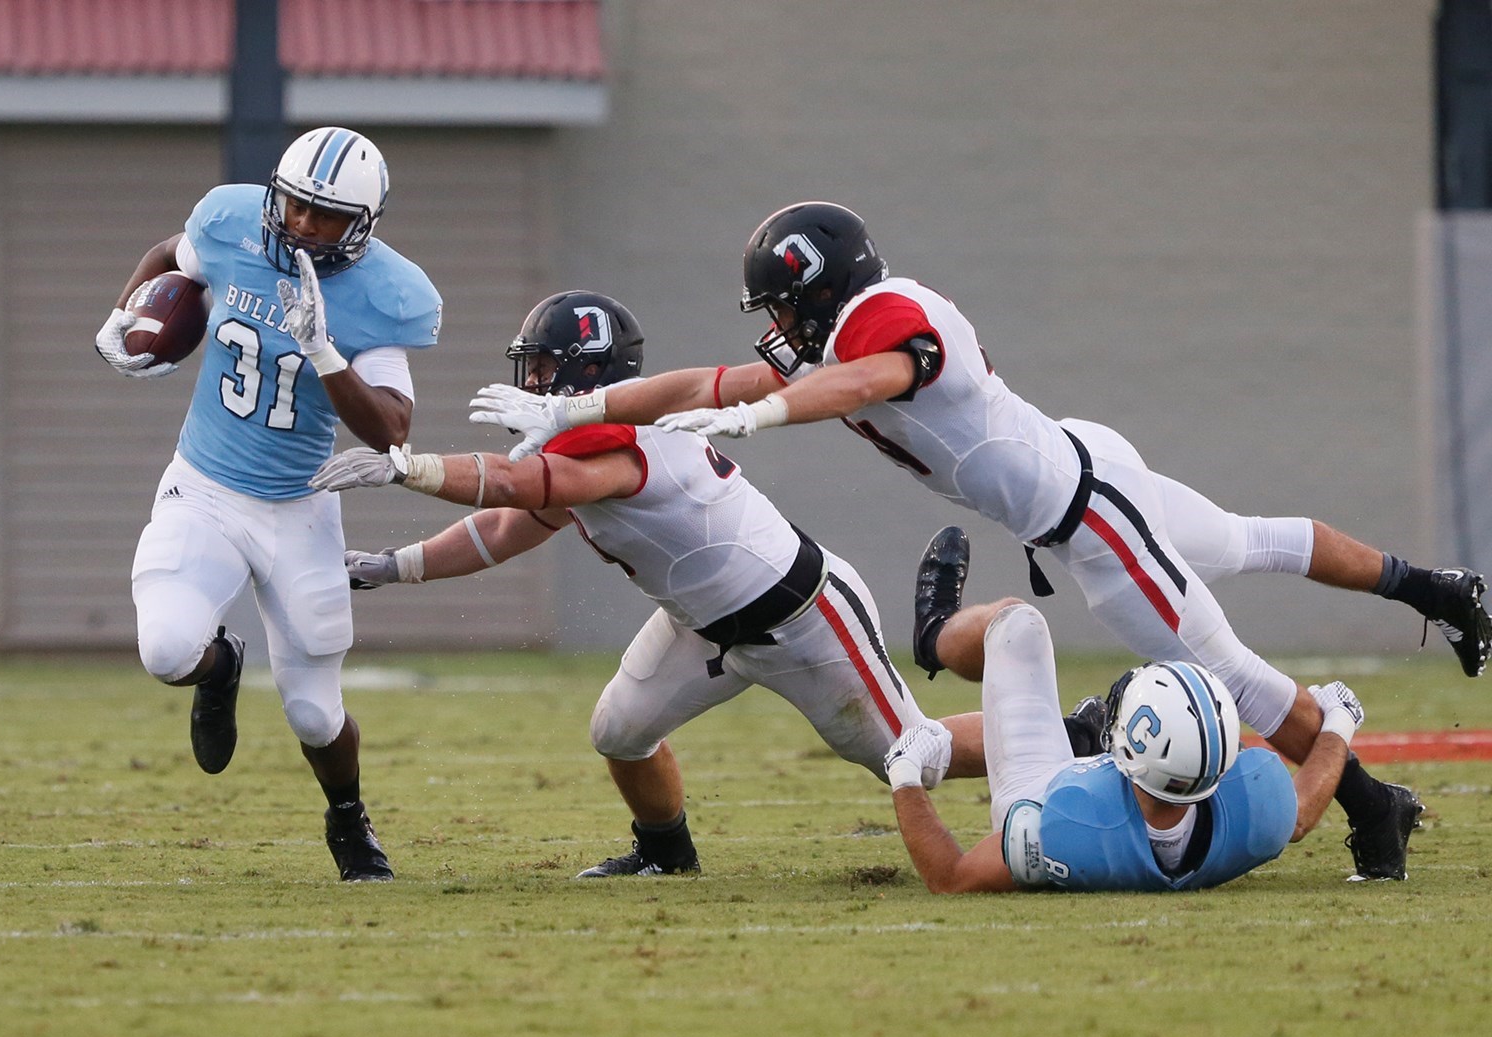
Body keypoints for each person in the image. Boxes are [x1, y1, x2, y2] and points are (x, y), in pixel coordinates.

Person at [466, 200, 1482, 881]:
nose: (775, 326)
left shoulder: (887, 325)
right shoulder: (842, 335)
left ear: (820, 294)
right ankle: (1430, 587)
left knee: (1227, 672)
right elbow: (695, 384)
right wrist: (579, 408)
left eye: (783, 305)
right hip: (1082, 468)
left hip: (1084, 515)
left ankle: (1368, 804)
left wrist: (764, 418)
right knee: (1245, 539)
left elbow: (863, 385)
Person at [308, 291, 954, 877]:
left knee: (913, 754)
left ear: (590, 370)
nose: (532, 382)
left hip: (802, 616)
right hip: (703, 626)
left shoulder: (623, 440)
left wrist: (407, 467)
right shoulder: (589, 434)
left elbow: (517, 484)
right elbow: (507, 528)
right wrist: (395, 565)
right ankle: (666, 852)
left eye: (544, 367)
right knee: (620, 730)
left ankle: (1053, 740)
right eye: (530, 367)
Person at [93, 126, 444, 882]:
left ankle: (348, 819)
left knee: (315, 714)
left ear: (364, 226)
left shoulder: (388, 293)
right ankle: (221, 669)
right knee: (166, 649)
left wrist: (326, 353)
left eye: (327, 217)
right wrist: (123, 315)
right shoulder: (228, 220)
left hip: (300, 506)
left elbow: (391, 429)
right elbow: (169, 255)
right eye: (295, 206)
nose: (305, 225)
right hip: (205, 486)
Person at [888, 528, 1422, 891]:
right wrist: (1338, 725)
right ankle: (1078, 732)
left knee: (1017, 623)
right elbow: (1301, 811)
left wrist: (906, 779)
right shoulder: (1256, 819)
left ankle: (936, 636)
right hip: (1135, 794)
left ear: (1126, 759)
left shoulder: (1065, 821)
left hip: (1041, 789)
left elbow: (952, 878)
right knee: (1077, 727)